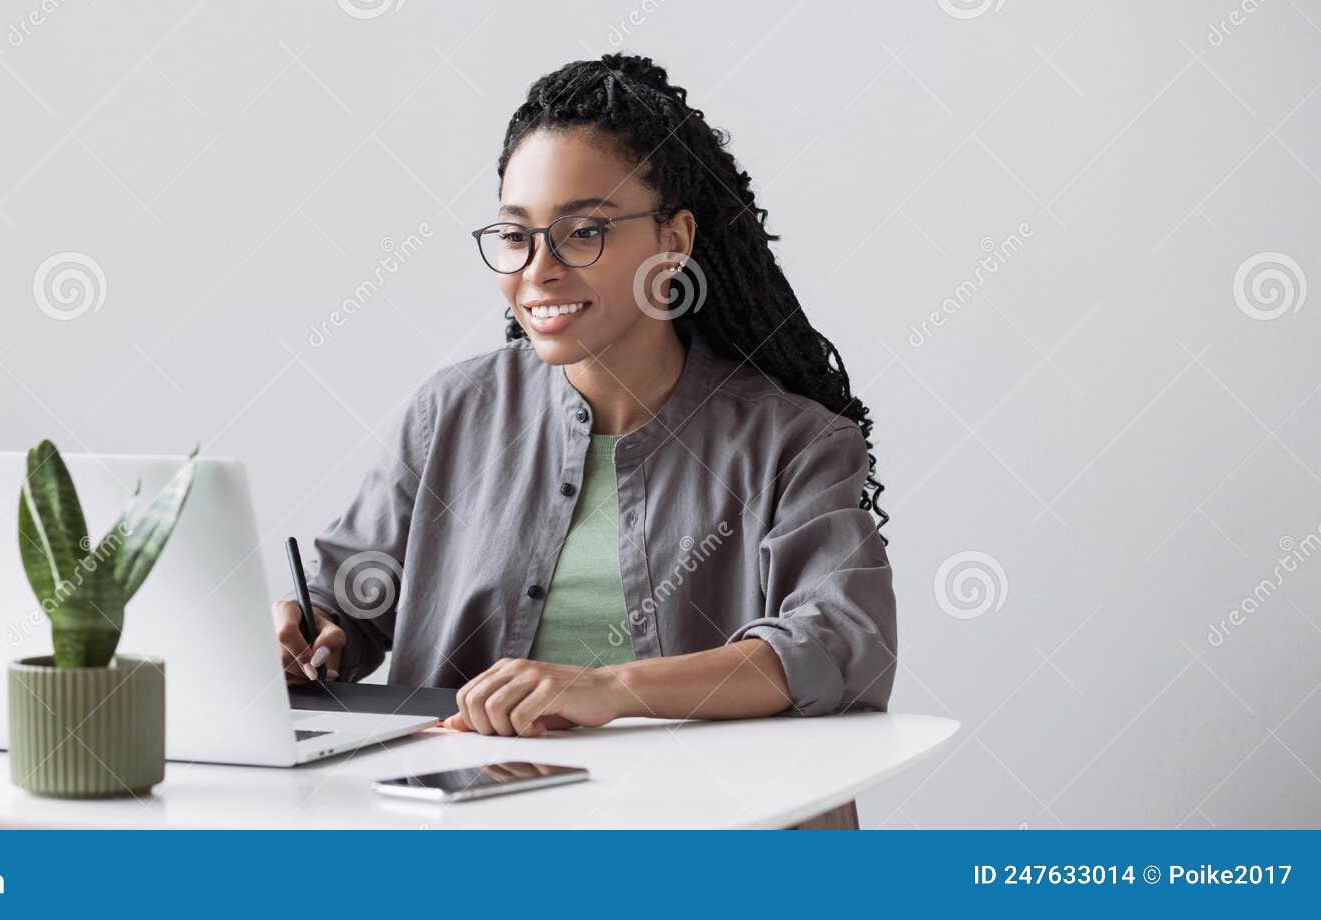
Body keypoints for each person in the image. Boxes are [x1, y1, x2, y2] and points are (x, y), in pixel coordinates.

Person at [270, 53, 896, 737]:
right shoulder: (452, 411)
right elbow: (352, 598)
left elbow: (839, 643)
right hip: (470, 817)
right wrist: (310, 629)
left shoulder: (791, 442)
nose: (539, 271)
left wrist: (612, 688)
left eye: (583, 232)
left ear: (674, 240)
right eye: (515, 236)